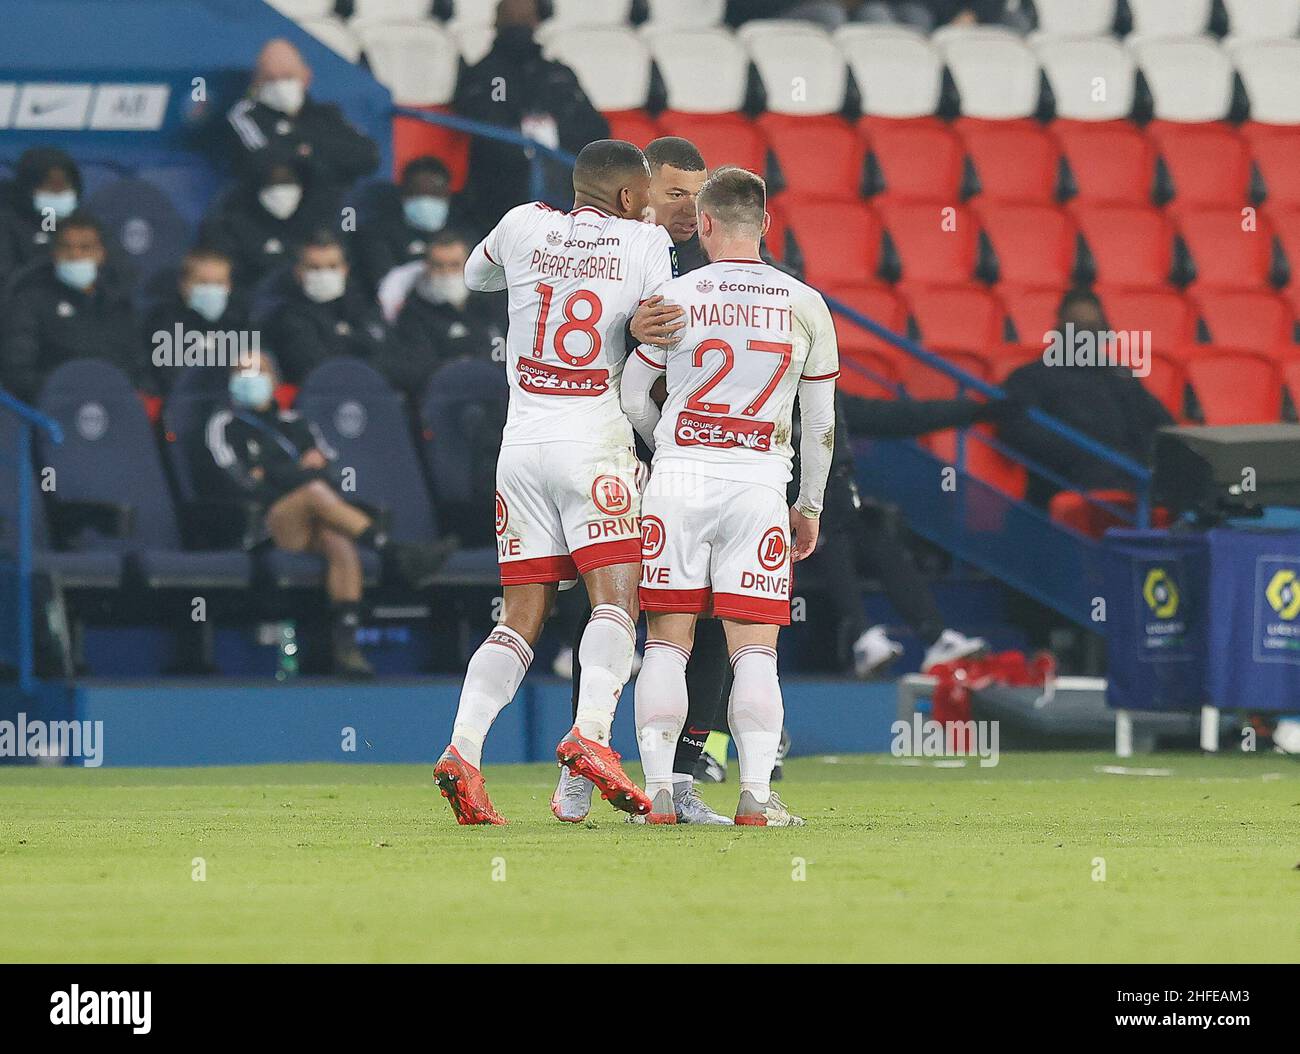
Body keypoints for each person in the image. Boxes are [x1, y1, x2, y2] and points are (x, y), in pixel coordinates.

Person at [431, 140, 676, 826]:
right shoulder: (644, 241)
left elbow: (476, 281)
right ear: (629, 198)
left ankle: (464, 751)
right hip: (592, 443)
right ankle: (591, 734)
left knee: (519, 619)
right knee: (617, 605)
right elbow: (661, 331)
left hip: (521, 449)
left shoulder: (521, 223)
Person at [621, 166, 838, 826]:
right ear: (766, 224)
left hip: (679, 480)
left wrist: (674, 445)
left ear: (706, 224)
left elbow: (632, 394)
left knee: (665, 644)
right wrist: (809, 506)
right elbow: (820, 424)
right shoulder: (805, 304)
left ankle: (657, 793)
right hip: (757, 483)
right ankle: (755, 797)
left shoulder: (675, 294)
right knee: (754, 651)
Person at [550, 135, 733, 825]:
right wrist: (627, 329)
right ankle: (581, 763)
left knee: (706, 613)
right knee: (610, 610)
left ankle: (680, 781)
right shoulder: (596, 253)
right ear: (637, 190)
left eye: (698, 193)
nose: (689, 208)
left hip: (693, 461)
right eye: (674, 193)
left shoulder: (719, 260)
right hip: (613, 457)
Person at [205, 353, 453, 677]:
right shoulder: (225, 425)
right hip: (265, 524)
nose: (250, 377)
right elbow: (242, 483)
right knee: (314, 493)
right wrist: (298, 475)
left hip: (315, 519)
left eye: (259, 371)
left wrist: (277, 473)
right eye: (242, 371)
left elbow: (332, 475)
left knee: (339, 542)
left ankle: (346, 648)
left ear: (275, 381)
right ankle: (394, 552)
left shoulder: (296, 423)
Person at [998, 288, 1174, 508]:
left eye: (1093, 329)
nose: (1085, 337)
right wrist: (1085, 456)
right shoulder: (1030, 378)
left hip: (1134, 479)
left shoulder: (1120, 377)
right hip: (1070, 483)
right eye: (1077, 329)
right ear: (1060, 330)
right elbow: (1019, 430)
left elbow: (1161, 424)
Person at [453, 0, 610, 234]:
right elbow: (482, 127)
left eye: (524, 18)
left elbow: (596, 128)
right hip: (499, 194)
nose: (518, 25)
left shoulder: (558, 74)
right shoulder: (482, 75)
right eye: (511, 18)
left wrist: (553, 132)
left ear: (537, 21)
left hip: (563, 190)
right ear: (496, 22)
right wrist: (526, 135)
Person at [225, 38, 379, 209]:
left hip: (329, 217)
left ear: (306, 76)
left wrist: (306, 149)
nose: (279, 84)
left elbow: (368, 155)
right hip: (263, 221)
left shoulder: (326, 115)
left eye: (288, 76)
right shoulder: (246, 116)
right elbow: (262, 160)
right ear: (256, 82)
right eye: (270, 78)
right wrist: (317, 154)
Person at [0, 212, 139, 402]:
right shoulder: (29, 301)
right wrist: (69, 391)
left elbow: (137, 368)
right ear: (54, 254)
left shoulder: (118, 304)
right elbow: (16, 372)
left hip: (112, 407)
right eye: (66, 248)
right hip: (51, 407)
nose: (75, 255)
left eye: (85, 248)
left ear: (101, 254)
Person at [379, 229, 506, 399]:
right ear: (427, 268)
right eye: (438, 266)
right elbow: (418, 369)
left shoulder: (495, 302)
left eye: (454, 265)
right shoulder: (413, 312)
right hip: (441, 401)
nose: (446, 273)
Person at [264, 230, 391, 384]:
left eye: (332, 267)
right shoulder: (286, 316)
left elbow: (385, 356)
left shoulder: (364, 306)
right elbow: (313, 365)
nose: (324, 275)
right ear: (298, 272)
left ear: (345, 270)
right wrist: (352, 341)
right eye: (314, 268)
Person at [143, 246, 249, 395]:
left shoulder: (239, 322)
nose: (212, 290)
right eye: (203, 282)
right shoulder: (163, 323)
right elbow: (170, 377)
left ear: (230, 286)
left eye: (219, 283)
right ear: (184, 284)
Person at [355, 156, 459, 294]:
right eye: (418, 193)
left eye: (434, 193)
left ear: (447, 195)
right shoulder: (378, 234)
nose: (427, 200)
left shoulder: (463, 236)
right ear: (403, 194)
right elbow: (384, 283)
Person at [0, 147, 83, 288]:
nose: (58, 194)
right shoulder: (6, 223)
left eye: (64, 187)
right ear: (29, 188)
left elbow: (115, 273)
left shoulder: (83, 224)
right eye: (51, 187)